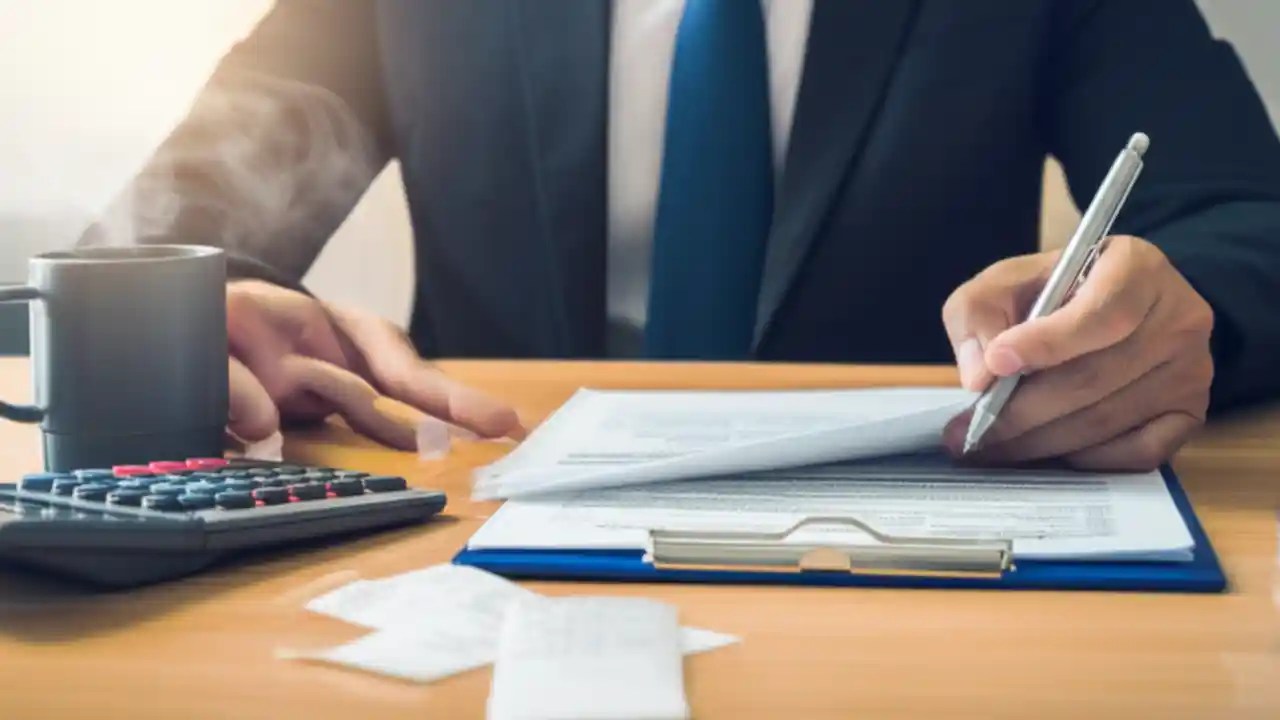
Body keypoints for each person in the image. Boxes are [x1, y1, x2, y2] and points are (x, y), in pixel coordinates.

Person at [82, 0, 1280, 471]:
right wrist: (200, 310)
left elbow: (1248, 219)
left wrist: (1185, 316)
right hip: (481, 524)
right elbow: (161, 235)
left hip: (913, 540)